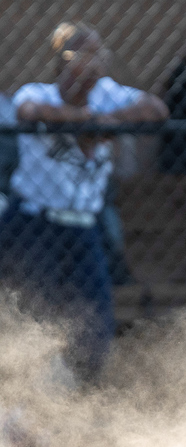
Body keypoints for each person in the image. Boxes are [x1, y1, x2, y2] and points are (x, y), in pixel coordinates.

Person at [0, 22, 169, 386]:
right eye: (84, 55)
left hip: (84, 229)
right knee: (31, 326)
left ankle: (37, 413)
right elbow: (28, 112)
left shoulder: (107, 93)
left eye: (98, 55)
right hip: (34, 226)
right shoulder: (38, 92)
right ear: (64, 62)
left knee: (95, 336)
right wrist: (86, 122)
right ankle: (15, 412)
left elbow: (155, 110)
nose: (95, 64)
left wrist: (107, 122)